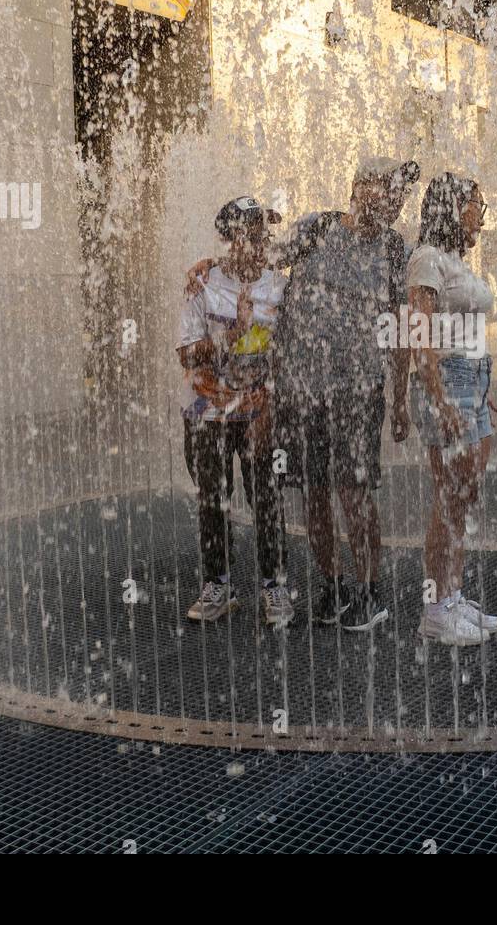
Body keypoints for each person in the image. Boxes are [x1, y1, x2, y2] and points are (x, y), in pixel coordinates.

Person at [271, 157, 418, 631]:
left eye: (397, 196)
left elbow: (399, 329)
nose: (390, 200)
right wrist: (213, 266)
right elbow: (266, 265)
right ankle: (331, 585)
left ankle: (370, 590)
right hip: (303, 389)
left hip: (360, 391)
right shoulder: (316, 228)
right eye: (382, 188)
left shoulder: (395, 249)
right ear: (357, 187)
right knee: (314, 492)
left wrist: (399, 400)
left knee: (354, 492)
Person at [178, 196, 293, 627]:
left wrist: (273, 407)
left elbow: (286, 357)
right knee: (213, 498)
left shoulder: (279, 287)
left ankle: (275, 587)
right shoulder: (201, 285)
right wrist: (232, 335)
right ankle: (218, 584)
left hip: (258, 409)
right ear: (229, 239)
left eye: (264, 230)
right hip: (206, 410)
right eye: (251, 231)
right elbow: (187, 355)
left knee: (267, 498)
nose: (261, 240)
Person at [407, 173, 497, 646]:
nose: (480, 217)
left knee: (464, 497)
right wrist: (439, 398)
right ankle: (434, 610)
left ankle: (454, 594)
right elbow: (419, 334)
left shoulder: (455, 263)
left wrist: (484, 387)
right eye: (475, 206)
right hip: (446, 381)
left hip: (472, 381)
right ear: (452, 208)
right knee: (449, 498)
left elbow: (468, 327)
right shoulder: (426, 259)